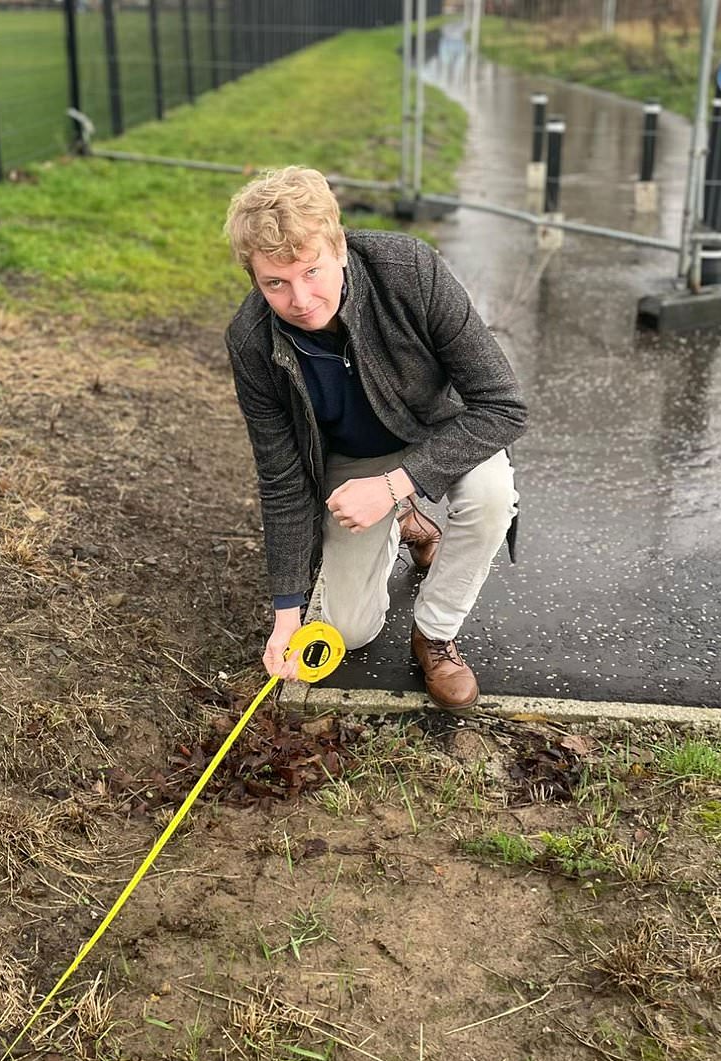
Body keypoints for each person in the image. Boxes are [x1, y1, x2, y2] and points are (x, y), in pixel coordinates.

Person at [222, 166, 523, 710]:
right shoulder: (251, 342)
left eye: (312, 271)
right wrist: (286, 614)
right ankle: (407, 522)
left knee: (492, 494)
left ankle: (434, 633)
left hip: (434, 434)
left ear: (338, 247)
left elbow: (502, 405)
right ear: (254, 278)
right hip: (352, 460)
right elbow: (283, 479)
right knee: (348, 633)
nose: (302, 299)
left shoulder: (409, 270)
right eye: (276, 283)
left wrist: (391, 486)